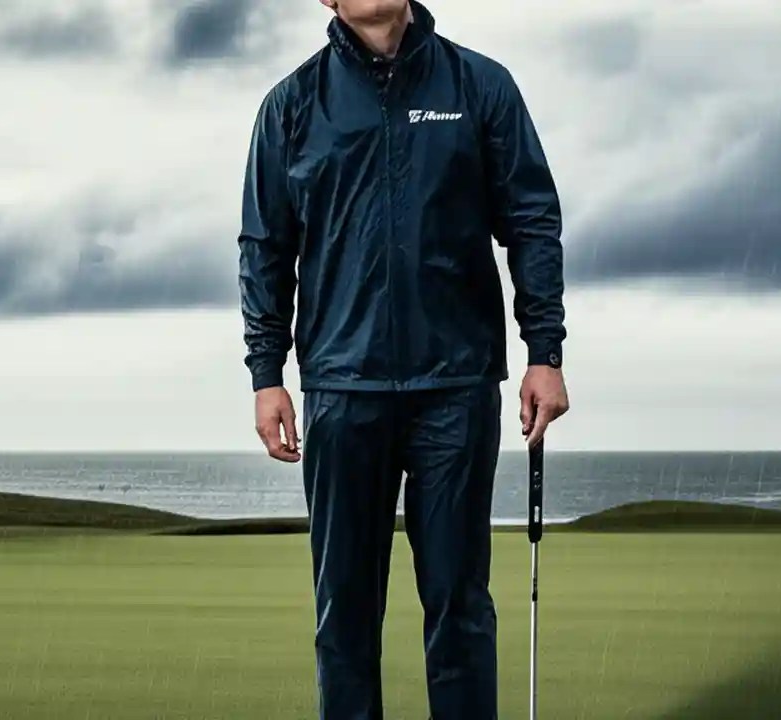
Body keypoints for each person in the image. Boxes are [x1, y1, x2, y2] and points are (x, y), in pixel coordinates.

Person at [236, 1, 569, 717]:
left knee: (459, 607)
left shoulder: (481, 87)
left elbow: (532, 221)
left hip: (456, 385)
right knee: (346, 614)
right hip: (341, 388)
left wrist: (546, 352)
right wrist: (266, 375)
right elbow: (265, 248)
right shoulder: (292, 106)